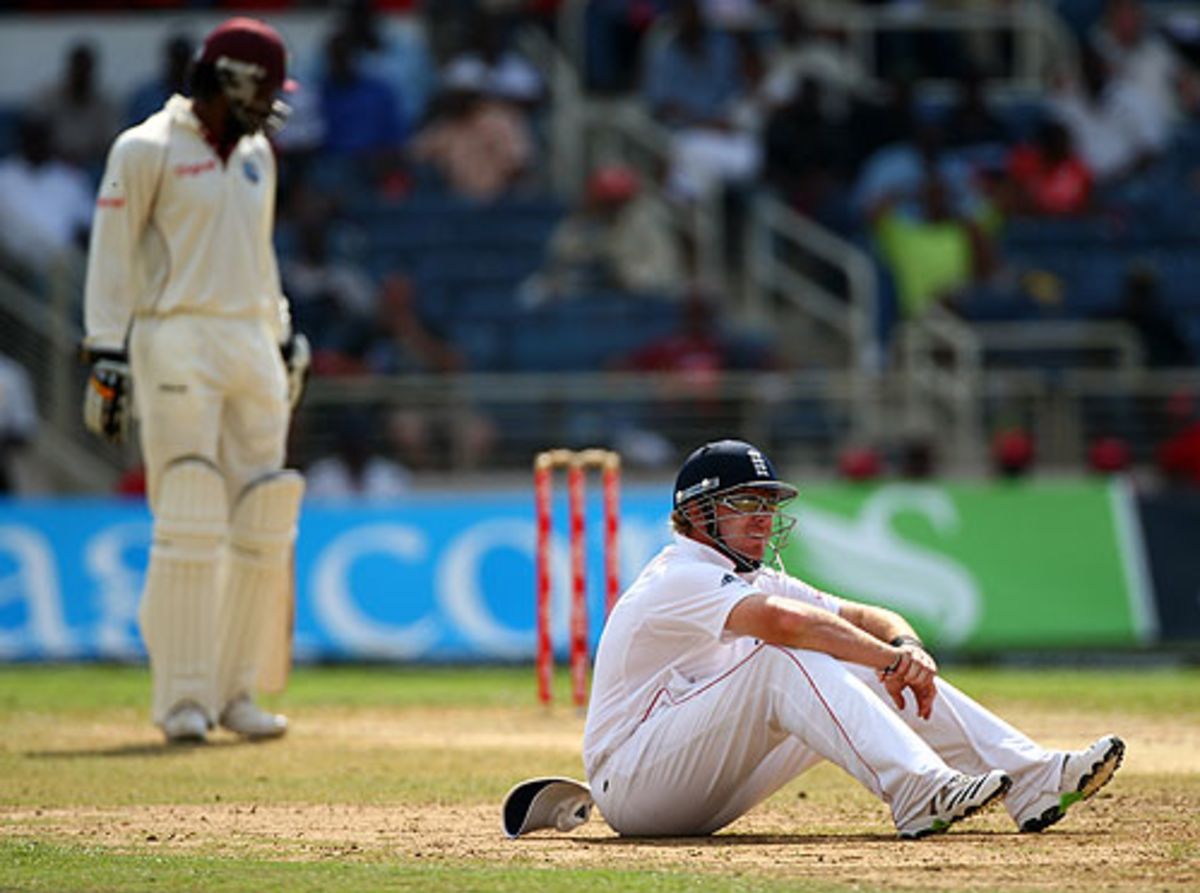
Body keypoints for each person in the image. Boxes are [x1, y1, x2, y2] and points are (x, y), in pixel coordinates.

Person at [582, 439, 1125, 838]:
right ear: (698, 513)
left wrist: (907, 649)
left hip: (696, 781)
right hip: (632, 786)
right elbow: (788, 626)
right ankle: (919, 790)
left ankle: (1036, 780)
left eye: (769, 503)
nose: (765, 518)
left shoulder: (756, 576)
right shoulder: (678, 573)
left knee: (850, 660)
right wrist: (886, 659)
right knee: (785, 657)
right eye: (746, 503)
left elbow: (863, 616)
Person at [80, 18, 311, 745]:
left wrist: (280, 331)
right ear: (230, 78)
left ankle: (235, 691)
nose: (272, 102)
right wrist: (105, 353)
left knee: (263, 511)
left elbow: (260, 255)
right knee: (188, 507)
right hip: (173, 333)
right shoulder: (142, 148)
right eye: (265, 86)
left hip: (249, 338)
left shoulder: (257, 156)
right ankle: (180, 699)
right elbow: (110, 258)